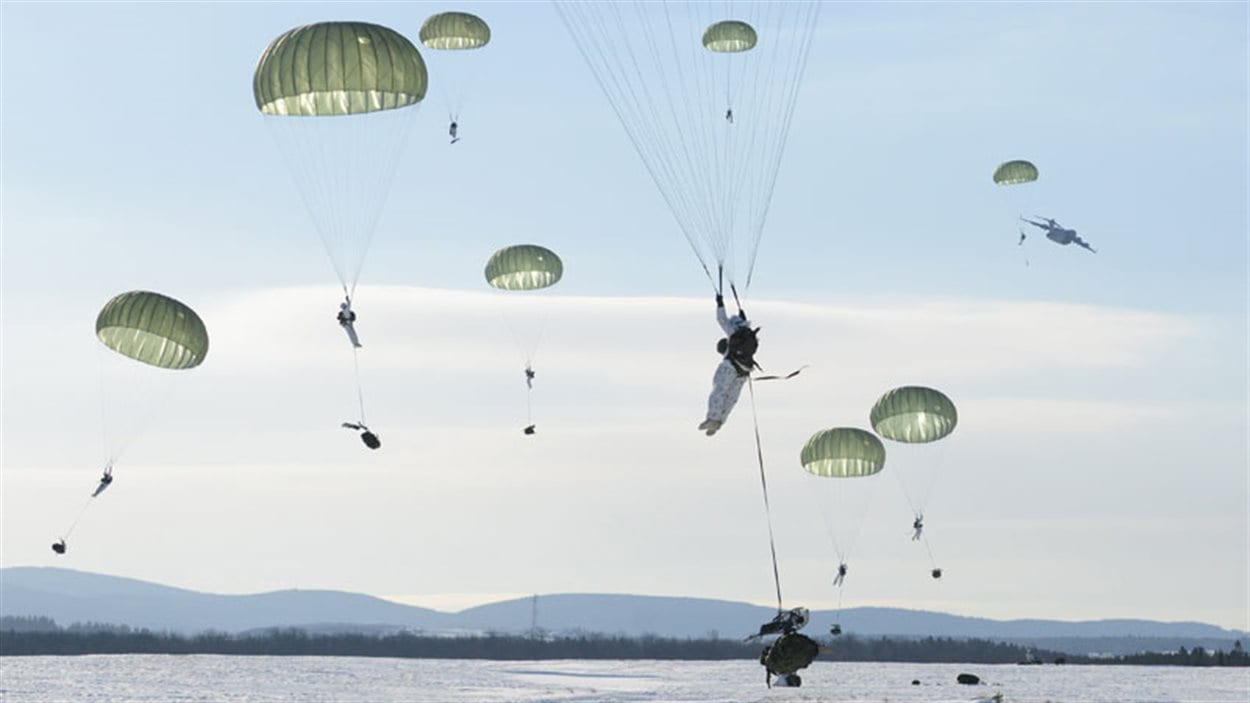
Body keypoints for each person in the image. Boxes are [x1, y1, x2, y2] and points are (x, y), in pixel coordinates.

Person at [698, 293, 759, 436]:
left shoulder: (733, 332)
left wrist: (720, 304)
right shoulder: (750, 334)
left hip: (730, 367)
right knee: (731, 398)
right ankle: (720, 421)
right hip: (745, 371)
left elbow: (721, 319)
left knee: (719, 391)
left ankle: (713, 419)